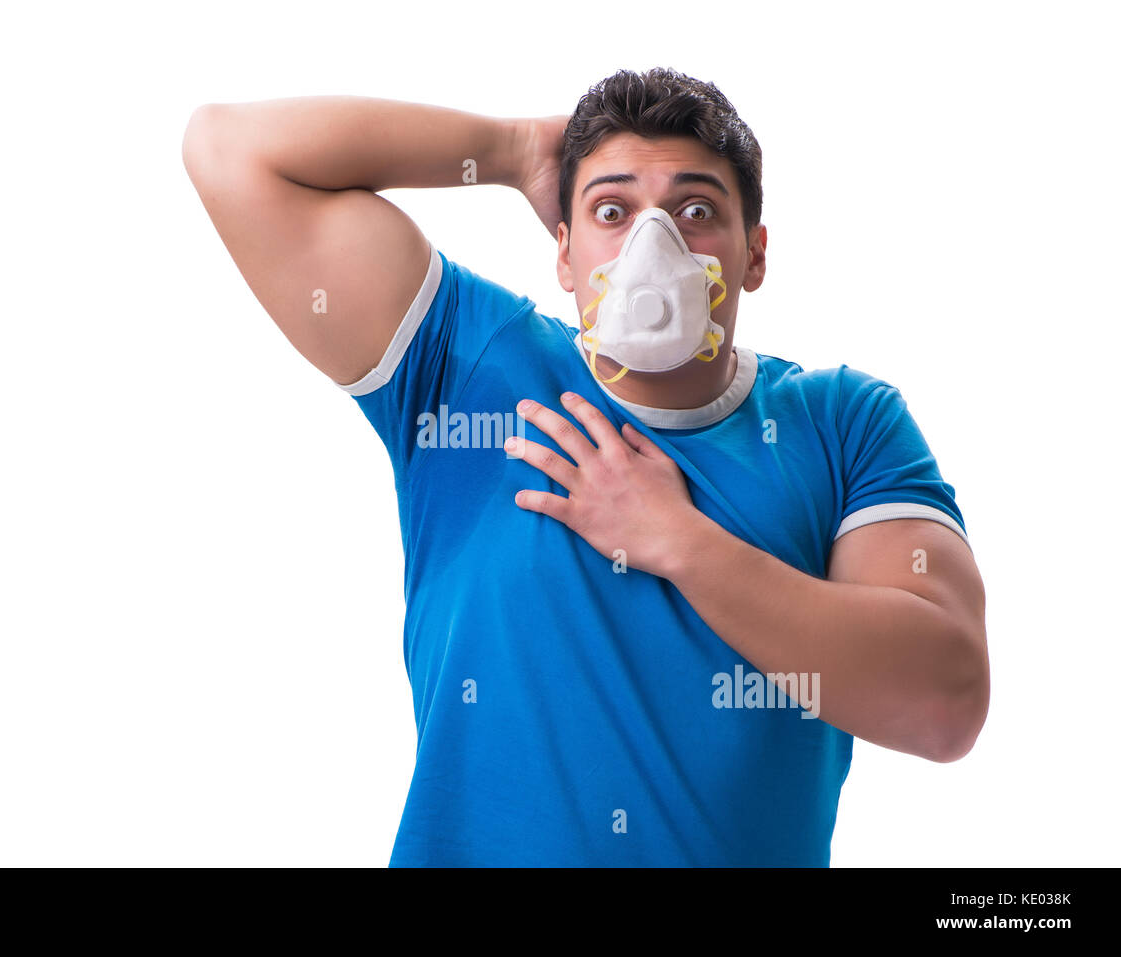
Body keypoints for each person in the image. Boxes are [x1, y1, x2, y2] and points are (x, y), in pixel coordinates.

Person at [181, 67, 989, 866]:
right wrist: (510, 149)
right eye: (612, 209)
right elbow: (230, 151)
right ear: (563, 254)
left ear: (754, 254)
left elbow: (944, 702)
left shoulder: (841, 421)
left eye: (696, 210)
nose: (653, 242)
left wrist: (679, 540)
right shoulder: (470, 367)